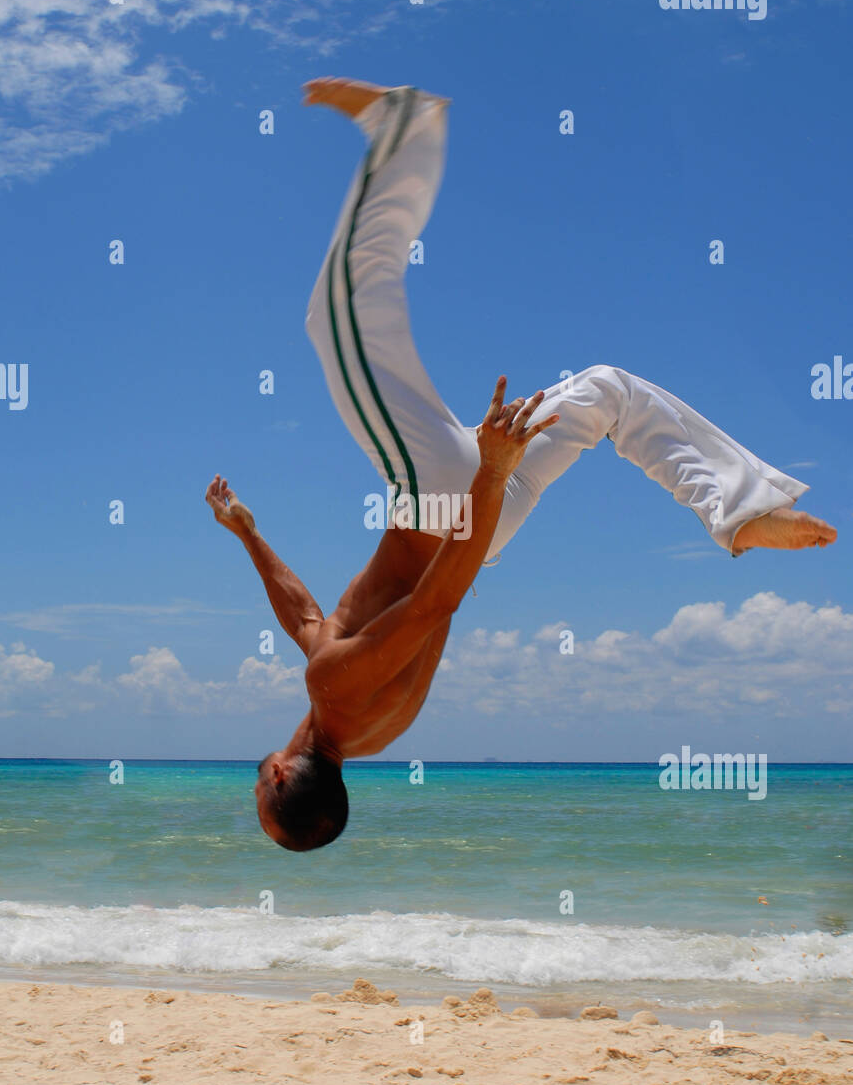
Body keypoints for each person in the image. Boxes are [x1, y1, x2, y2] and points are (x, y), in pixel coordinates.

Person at [205, 78, 836, 852]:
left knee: (608, 393)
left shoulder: (358, 724)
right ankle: (404, 131)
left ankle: (738, 513)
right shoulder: (333, 691)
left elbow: (307, 621)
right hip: (450, 504)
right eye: (257, 790)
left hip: (487, 529)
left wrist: (246, 533)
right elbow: (435, 601)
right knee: (334, 314)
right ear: (277, 779)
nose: (253, 778)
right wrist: (490, 473)